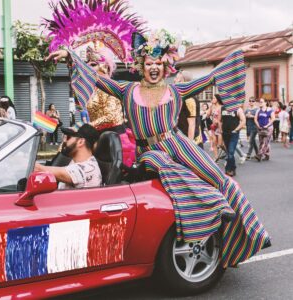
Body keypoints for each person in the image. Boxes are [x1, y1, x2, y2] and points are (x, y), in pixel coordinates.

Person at [45, 0, 270, 268]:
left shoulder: (176, 91)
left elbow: (211, 77)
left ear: (165, 67)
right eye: (149, 62)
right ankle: (214, 206)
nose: (154, 67)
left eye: (158, 63)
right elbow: (96, 79)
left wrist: (238, 52)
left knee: (224, 181)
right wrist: (71, 56)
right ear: (141, 65)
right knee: (166, 166)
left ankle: (241, 242)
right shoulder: (127, 90)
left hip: (177, 143)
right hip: (149, 151)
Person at [85, 45, 136, 167]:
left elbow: (111, 116)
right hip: (99, 140)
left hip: (115, 142)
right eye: (87, 64)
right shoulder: (93, 89)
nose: (88, 67)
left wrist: (87, 127)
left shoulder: (111, 87)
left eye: (92, 64)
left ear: (105, 66)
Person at [35, 123, 102, 189]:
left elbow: (39, 169)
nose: (64, 141)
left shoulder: (88, 169)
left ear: (80, 142)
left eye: (69, 137)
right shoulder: (76, 161)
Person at [218, 96, 246, 176]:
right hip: (225, 133)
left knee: (230, 152)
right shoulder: (222, 108)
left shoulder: (238, 109)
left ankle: (228, 170)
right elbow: (219, 120)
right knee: (228, 152)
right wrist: (220, 129)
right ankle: (233, 168)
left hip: (234, 134)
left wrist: (236, 129)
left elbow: (243, 120)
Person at [175, 70, 203, 148]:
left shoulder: (189, 99)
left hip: (192, 141)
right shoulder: (181, 97)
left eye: (177, 79)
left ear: (183, 81)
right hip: (182, 138)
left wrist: (189, 145)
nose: (174, 80)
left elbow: (192, 124)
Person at [207, 94, 223, 160]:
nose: (212, 99)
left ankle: (227, 154)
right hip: (213, 126)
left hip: (220, 126)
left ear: (217, 99)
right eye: (212, 98)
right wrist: (210, 107)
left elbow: (222, 118)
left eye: (213, 98)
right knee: (214, 143)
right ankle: (216, 157)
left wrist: (219, 126)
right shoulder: (212, 107)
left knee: (220, 145)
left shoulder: (221, 107)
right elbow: (208, 115)